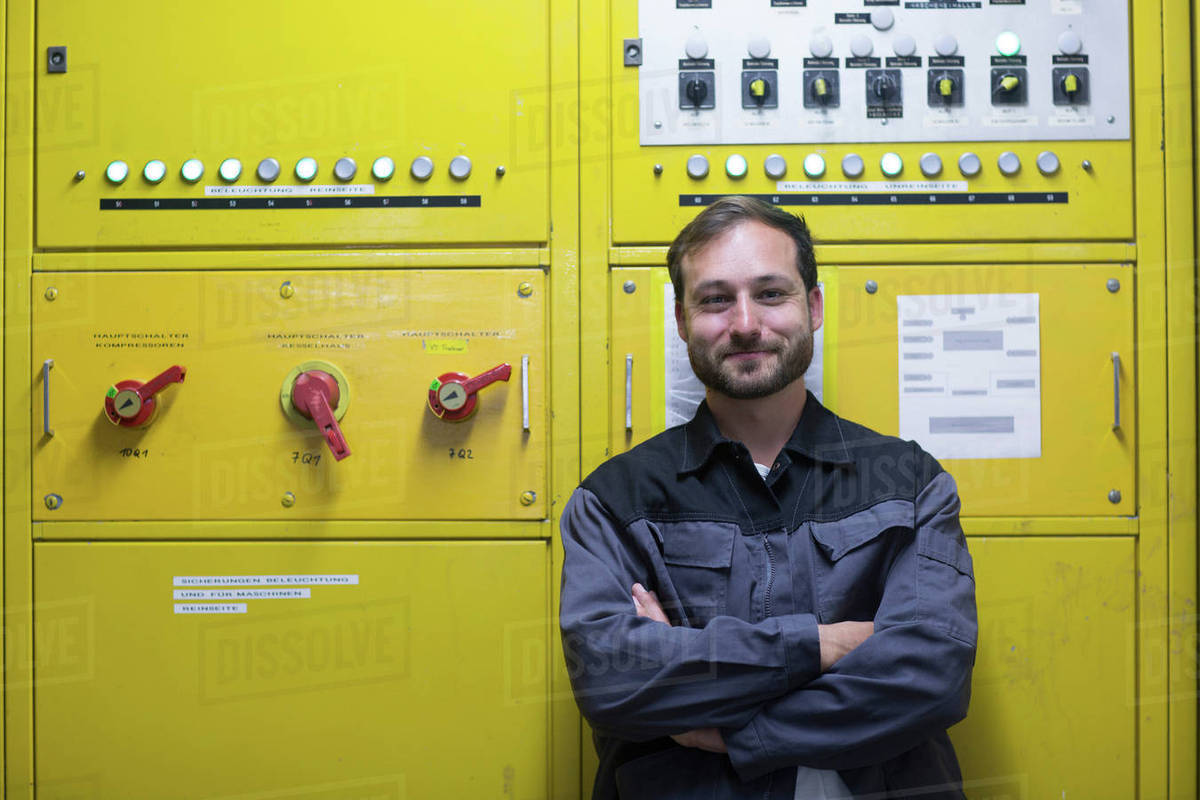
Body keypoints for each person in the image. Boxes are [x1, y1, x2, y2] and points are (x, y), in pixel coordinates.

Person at [559, 196, 977, 799]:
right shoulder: (616, 499)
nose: (746, 322)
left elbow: (930, 672)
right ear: (681, 321)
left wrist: (731, 732)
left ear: (814, 307)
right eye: (715, 299)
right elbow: (612, 680)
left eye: (771, 294)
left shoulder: (909, 483)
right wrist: (827, 643)